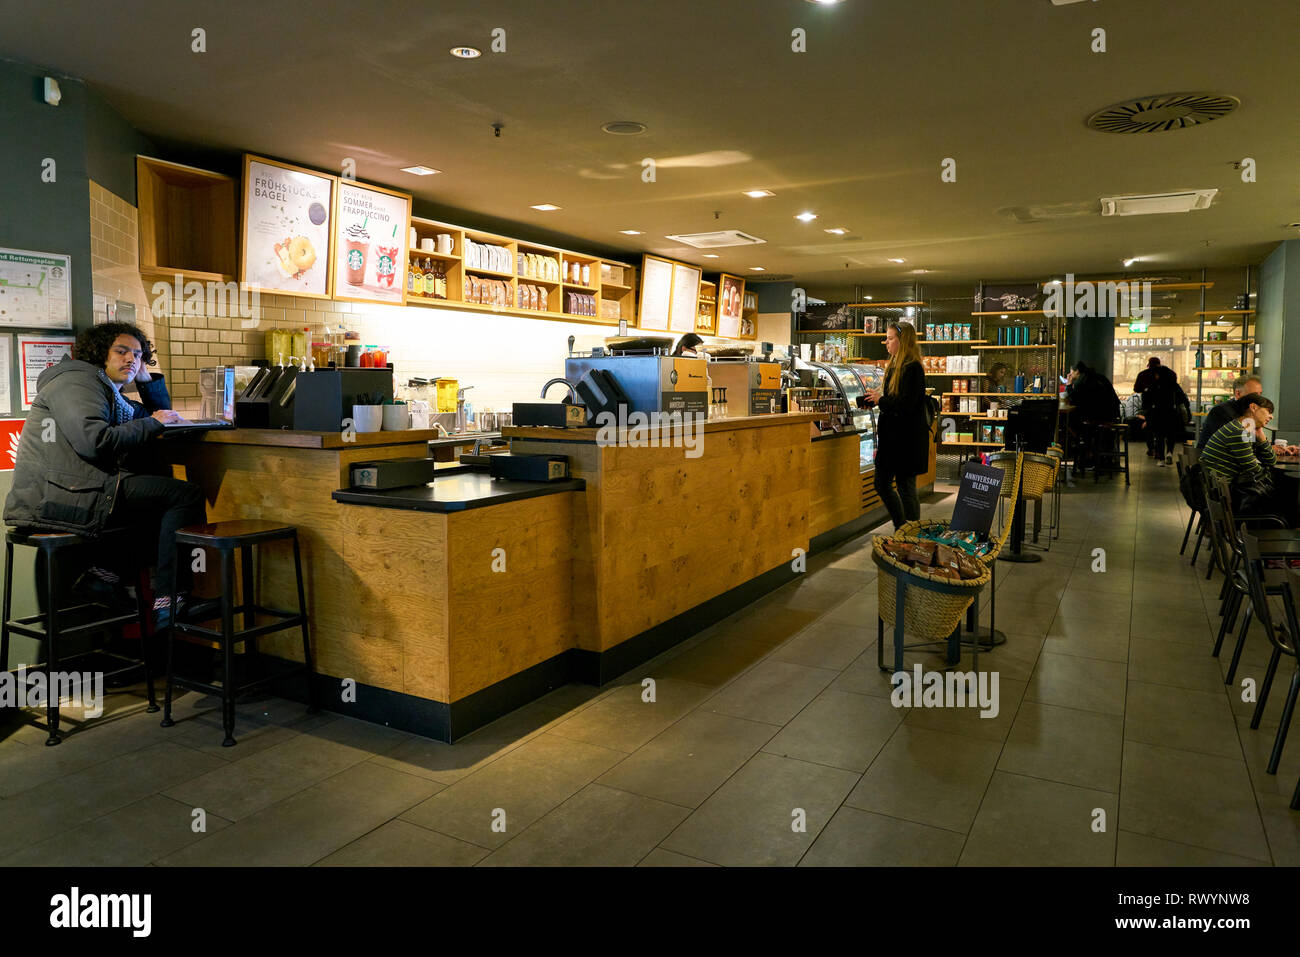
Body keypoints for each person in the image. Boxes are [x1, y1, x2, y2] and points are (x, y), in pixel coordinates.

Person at [3, 321, 206, 624]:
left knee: (155, 502)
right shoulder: (76, 382)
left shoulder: (104, 388)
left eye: (137, 355)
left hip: (79, 487)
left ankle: (105, 577)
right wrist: (153, 422)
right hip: (58, 494)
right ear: (100, 353)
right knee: (184, 496)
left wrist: (146, 379)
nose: (130, 359)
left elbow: (162, 417)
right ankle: (169, 599)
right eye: (121, 351)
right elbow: (94, 442)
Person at [863, 321, 928, 530]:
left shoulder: (913, 368)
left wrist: (880, 400)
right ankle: (903, 529)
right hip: (892, 440)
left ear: (903, 341)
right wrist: (874, 400)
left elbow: (906, 405)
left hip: (906, 440)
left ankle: (910, 535)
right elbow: (894, 401)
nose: (886, 343)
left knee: (905, 487)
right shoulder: (894, 366)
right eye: (886, 338)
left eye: (890, 338)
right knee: (883, 484)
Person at [1065, 361, 1120, 472]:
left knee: (1071, 423)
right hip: (1113, 415)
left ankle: (1087, 453)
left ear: (1077, 371)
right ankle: (1091, 453)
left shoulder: (1082, 381)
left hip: (1099, 418)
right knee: (1080, 424)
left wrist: (1069, 385)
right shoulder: (1098, 377)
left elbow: (1073, 399)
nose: (1070, 374)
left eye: (1071, 372)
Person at [1196, 375, 1262, 451]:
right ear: (1238, 393)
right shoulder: (1220, 412)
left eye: (1260, 394)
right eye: (1255, 395)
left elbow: (1249, 443)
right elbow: (1237, 445)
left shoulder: (1248, 412)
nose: (1260, 399)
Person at [1143, 364, 1191, 466]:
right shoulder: (1174, 386)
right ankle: (1169, 453)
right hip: (1172, 414)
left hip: (1158, 414)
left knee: (1159, 436)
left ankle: (1161, 459)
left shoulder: (1154, 385)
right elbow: (1183, 400)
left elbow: (1146, 401)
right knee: (1171, 435)